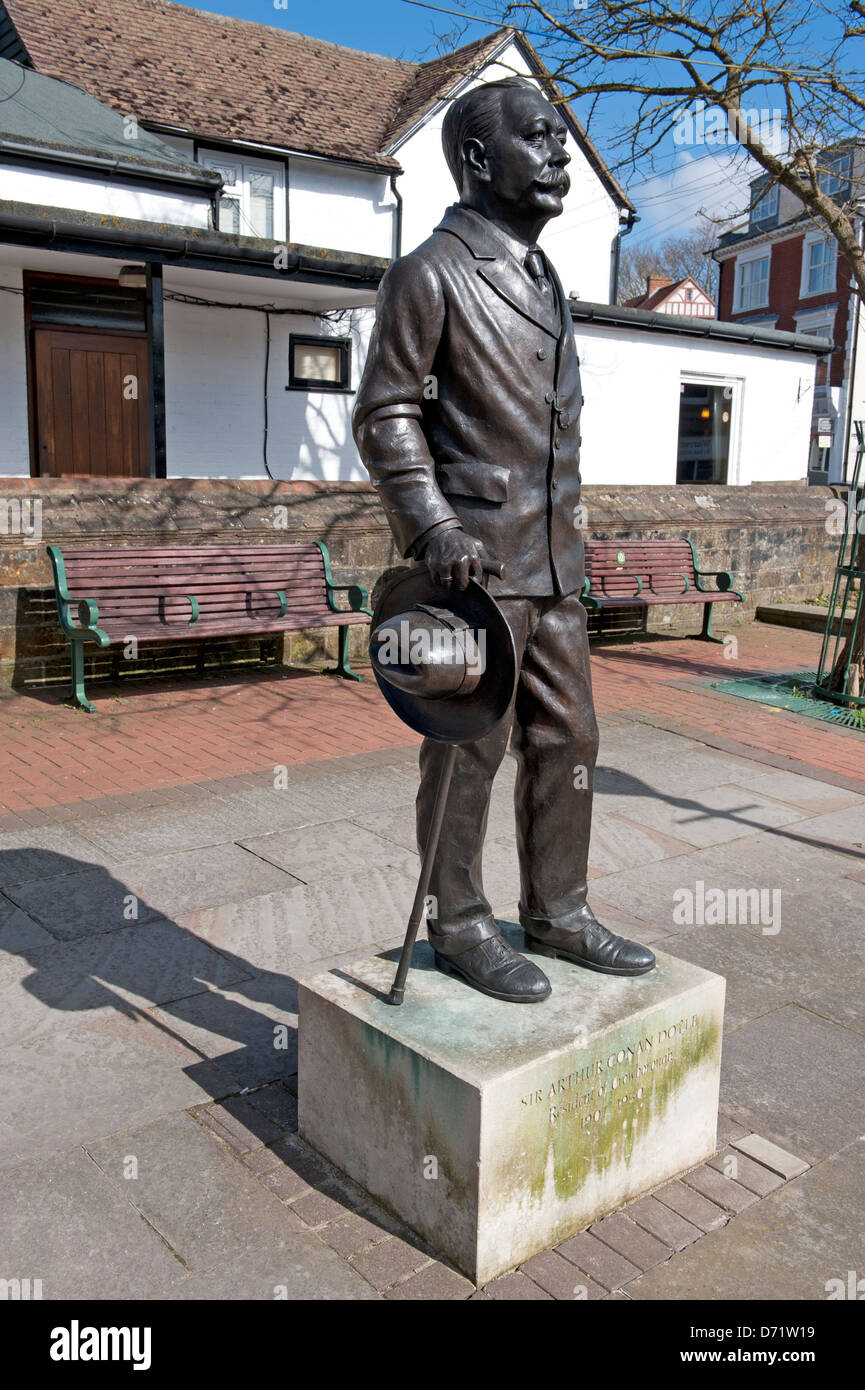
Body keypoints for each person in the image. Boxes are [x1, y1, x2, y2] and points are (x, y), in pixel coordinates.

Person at [353, 76, 654, 1003]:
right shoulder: (430, 272)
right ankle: (460, 922)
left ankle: (558, 910)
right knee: (464, 752)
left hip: (554, 563)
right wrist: (432, 522)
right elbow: (385, 412)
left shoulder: (541, 274)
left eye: (560, 139)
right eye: (540, 138)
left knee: (569, 741)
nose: (560, 154)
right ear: (480, 160)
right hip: (474, 564)